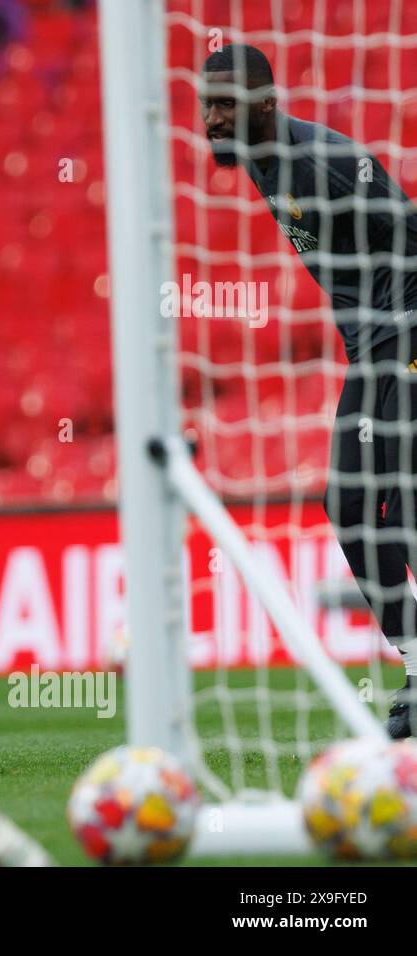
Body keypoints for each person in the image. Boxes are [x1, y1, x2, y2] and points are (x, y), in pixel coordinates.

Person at [200, 44, 417, 737]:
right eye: (206, 104)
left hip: (407, 334)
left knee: (401, 495)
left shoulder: (320, 163)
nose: (208, 119)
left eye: (223, 105)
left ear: (263, 105)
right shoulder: (262, 159)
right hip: (371, 347)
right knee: (351, 502)